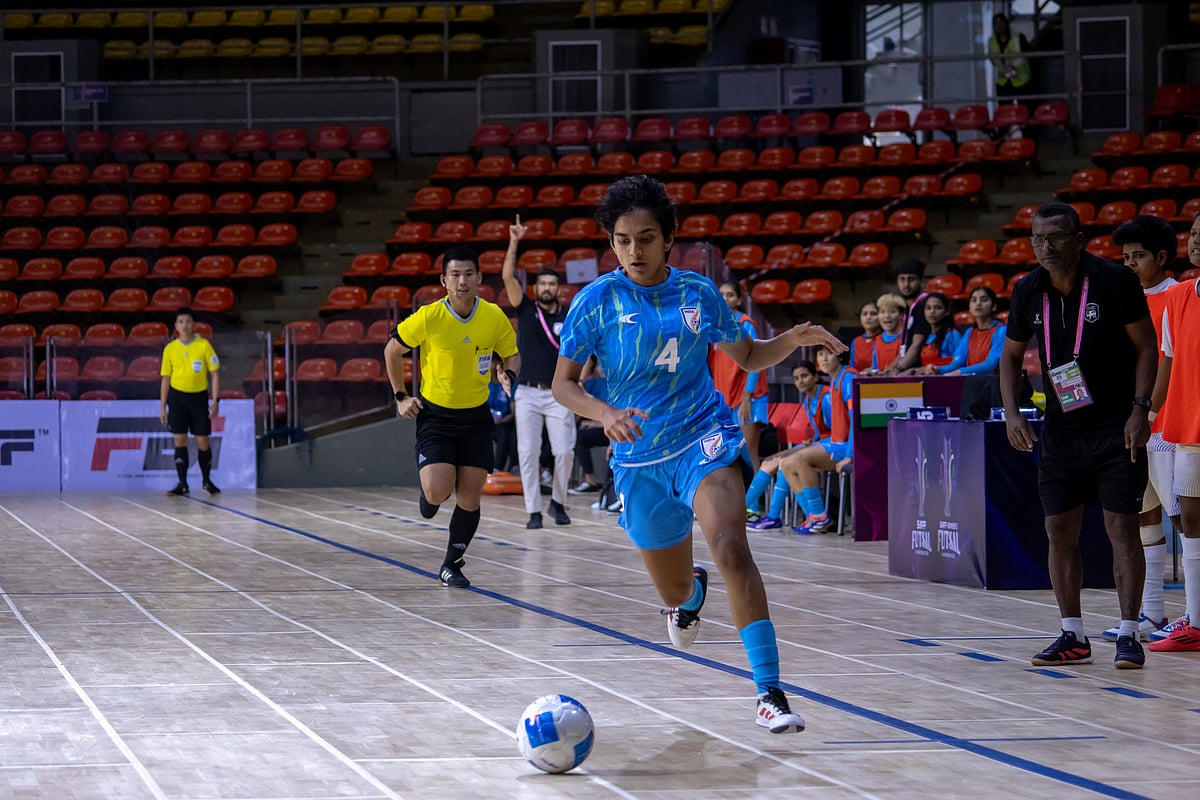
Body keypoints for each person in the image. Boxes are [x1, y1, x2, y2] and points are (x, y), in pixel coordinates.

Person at [552, 174, 847, 733]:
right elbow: (564, 385)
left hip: (701, 437)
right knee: (672, 588)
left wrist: (795, 336)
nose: (633, 251)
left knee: (733, 548)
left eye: (645, 238)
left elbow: (752, 354)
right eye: (622, 240)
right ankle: (689, 594)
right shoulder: (595, 302)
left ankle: (769, 694)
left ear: (668, 239)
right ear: (611, 243)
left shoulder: (699, 293)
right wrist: (604, 413)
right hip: (639, 457)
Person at [999, 202, 1157, 670]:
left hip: (1116, 429)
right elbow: (1009, 359)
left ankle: (1129, 634)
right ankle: (1073, 634)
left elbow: (1148, 347)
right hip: (1062, 432)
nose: (1045, 248)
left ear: (1079, 238)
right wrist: (1013, 413)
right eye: (1037, 239)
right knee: (1057, 530)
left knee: (1121, 530)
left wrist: (1140, 409)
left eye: (1055, 238)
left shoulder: (1114, 280)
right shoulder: (1028, 289)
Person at [385, 246, 521, 589]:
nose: (462, 281)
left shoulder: (493, 316)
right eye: (455, 275)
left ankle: (452, 563)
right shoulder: (429, 316)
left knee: (470, 496)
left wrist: (508, 374)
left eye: (469, 274)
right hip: (436, 417)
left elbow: (512, 355)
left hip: (476, 416)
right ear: (444, 280)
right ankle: (429, 497)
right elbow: (392, 349)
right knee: (437, 491)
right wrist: (401, 396)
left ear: (479, 279)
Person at [1143, 212, 1200, 653]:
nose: (1197, 242)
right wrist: (1148, 415)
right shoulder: (1180, 296)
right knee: (1191, 521)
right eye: (1195, 235)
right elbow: (1166, 362)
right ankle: (1195, 621)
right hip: (1185, 428)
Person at [503, 215, 575, 529]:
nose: (547, 288)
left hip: (559, 392)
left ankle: (558, 502)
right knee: (528, 453)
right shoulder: (526, 308)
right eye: (542, 283)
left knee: (565, 451)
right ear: (536, 287)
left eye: (552, 284)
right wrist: (515, 241)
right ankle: (533, 511)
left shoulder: (569, 314)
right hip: (528, 392)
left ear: (559, 288)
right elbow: (507, 276)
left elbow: (579, 351)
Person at [778, 346, 856, 534]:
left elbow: (857, 419)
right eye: (820, 354)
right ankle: (813, 515)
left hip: (846, 446)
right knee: (786, 464)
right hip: (837, 443)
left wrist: (849, 455)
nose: (824, 358)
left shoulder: (848, 378)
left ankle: (820, 517)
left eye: (829, 353)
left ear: (840, 355)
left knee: (801, 458)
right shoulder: (836, 380)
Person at [745, 360, 831, 530]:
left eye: (804, 376)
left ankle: (774, 515)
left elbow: (837, 432)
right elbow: (819, 430)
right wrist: (811, 441)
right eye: (796, 378)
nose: (800, 381)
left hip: (831, 445)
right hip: (819, 442)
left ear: (815, 377)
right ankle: (770, 515)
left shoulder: (826, 397)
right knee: (770, 461)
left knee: (785, 463)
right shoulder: (808, 400)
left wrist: (815, 443)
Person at [159, 307, 221, 496]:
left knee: (202, 440)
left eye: (188, 321)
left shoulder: (203, 345)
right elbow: (165, 379)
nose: (184, 325)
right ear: (176, 326)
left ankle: (206, 481)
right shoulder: (170, 348)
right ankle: (182, 483)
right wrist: (163, 406)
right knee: (180, 439)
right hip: (177, 398)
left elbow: (215, 374)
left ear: (193, 324)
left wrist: (216, 400)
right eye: (181, 322)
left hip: (199, 397)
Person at [710, 281, 769, 469]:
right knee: (730, 454)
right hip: (725, 396)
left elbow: (757, 360)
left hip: (748, 397)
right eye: (722, 294)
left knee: (749, 452)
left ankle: (753, 500)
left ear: (739, 300)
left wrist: (746, 396)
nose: (725, 298)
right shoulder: (714, 327)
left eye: (730, 295)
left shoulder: (745, 324)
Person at [931, 285, 1007, 375]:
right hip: (972, 383)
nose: (978, 303)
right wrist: (937, 369)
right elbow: (958, 363)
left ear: (993, 306)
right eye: (974, 300)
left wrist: (961, 371)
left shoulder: (1001, 330)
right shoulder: (969, 332)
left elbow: (991, 364)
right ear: (970, 307)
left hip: (995, 384)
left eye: (984, 300)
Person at [570, 356, 609, 494]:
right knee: (578, 436)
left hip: (613, 428)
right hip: (601, 428)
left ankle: (609, 491)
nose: (601, 368)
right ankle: (590, 481)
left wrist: (596, 423)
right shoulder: (596, 383)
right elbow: (581, 408)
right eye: (599, 365)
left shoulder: (616, 383)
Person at [884, 258, 930, 375]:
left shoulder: (924, 305)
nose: (906, 285)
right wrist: (888, 370)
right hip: (908, 369)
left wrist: (899, 369)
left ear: (921, 282)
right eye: (902, 279)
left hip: (921, 371)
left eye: (911, 279)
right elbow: (904, 349)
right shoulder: (909, 307)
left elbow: (917, 344)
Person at [988, 13, 1031, 103]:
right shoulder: (991, 42)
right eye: (996, 23)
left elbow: (1028, 55)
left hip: (1021, 79)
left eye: (1001, 22)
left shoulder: (1019, 37)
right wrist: (1004, 69)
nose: (999, 26)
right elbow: (993, 60)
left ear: (1006, 23)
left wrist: (1013, 66)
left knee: (1024, 109)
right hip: (1003, 81)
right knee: (1005, 111)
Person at [912, 291, 960, 371]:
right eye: (928, 308)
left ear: (947, 312)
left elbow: (960, 363)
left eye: (938, 308)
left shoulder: (953, 335)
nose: (932, 312)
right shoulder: (927, 336)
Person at [865, 293, 907, 373]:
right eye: (882, 312)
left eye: (892, 312)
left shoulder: (906, 337)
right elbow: (875, 367)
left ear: (901, 315)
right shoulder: (877, 339)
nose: (887, 316)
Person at [488, 363, 518, 473]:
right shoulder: (486, 384)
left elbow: (513, 414)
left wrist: (499, 421)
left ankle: (497, 468)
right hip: (486, 422)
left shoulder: (510, 385)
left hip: (503, 423)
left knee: (505, 433)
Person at [849, 300, 881, 373]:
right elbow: (852, 368)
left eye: (873, 314)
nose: (868, 317)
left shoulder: (885, 339)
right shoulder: (856, 342)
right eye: (865, 314)